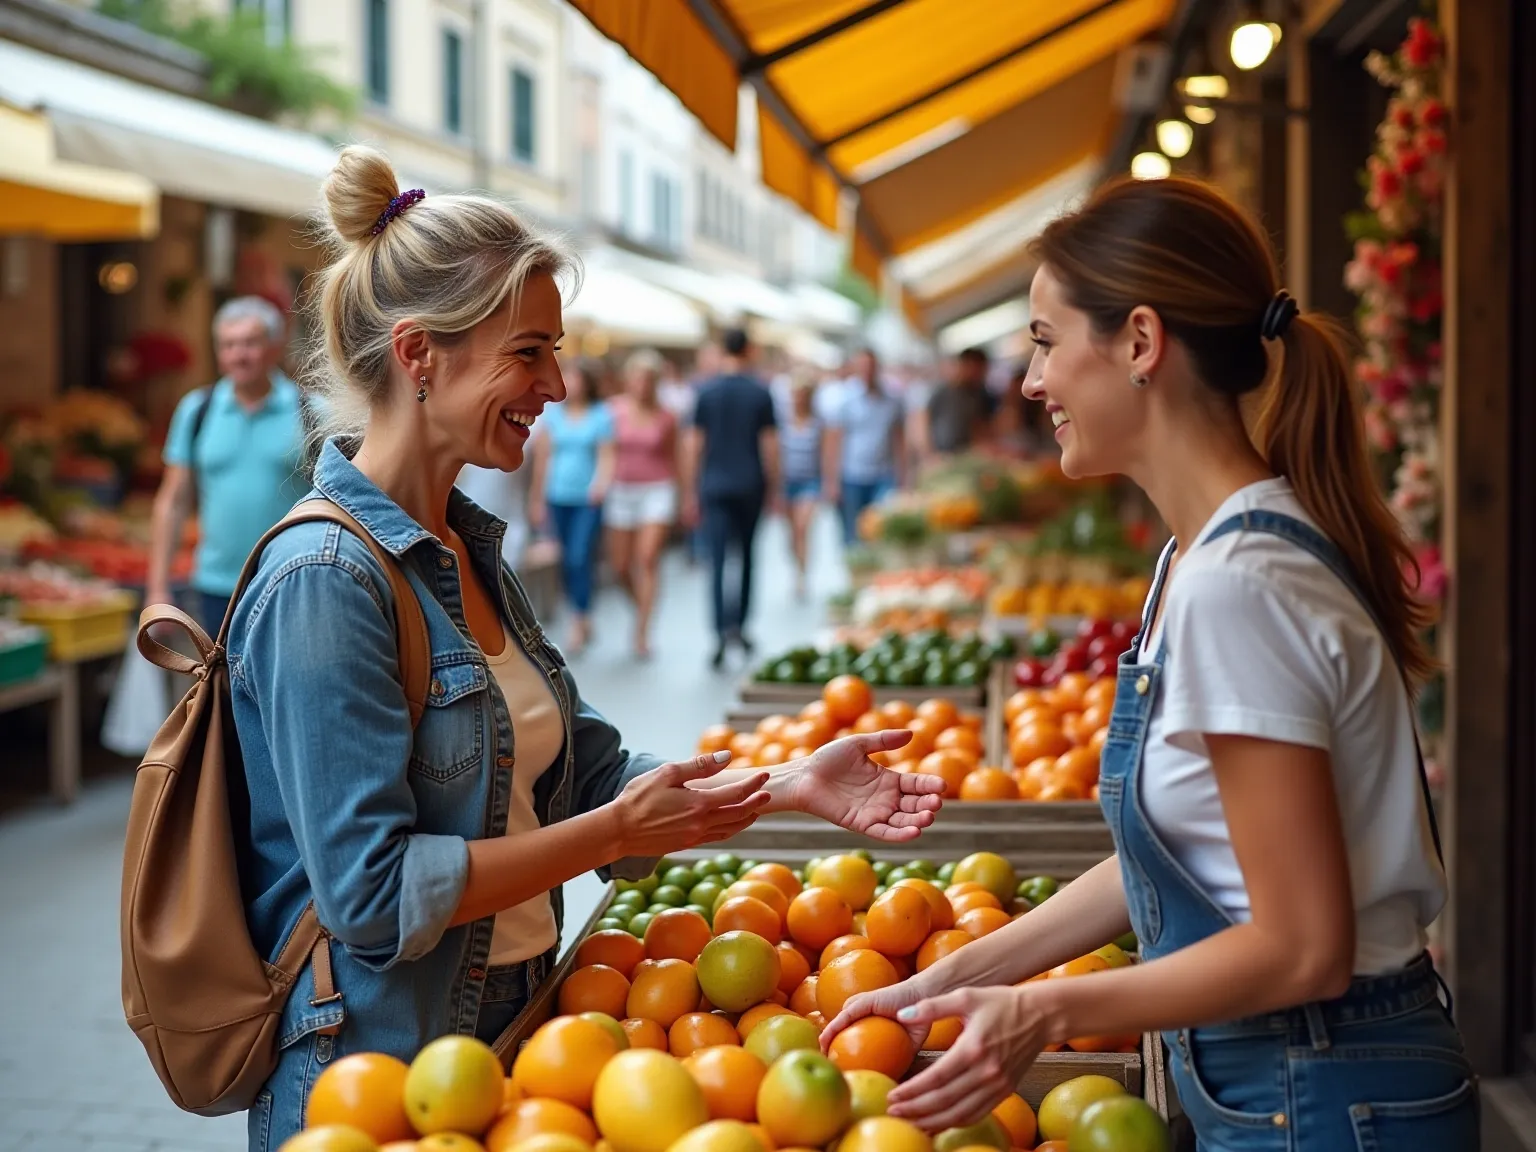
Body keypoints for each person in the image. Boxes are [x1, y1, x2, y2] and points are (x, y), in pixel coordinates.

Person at [226, 146, 947, 1152]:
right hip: (382, 1081)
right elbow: (375, 896)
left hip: (514, 1039)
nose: (560, 385)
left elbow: (587, 774)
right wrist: (613, 838)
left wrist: (787, 782)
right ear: (418, 354)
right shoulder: (324, 582)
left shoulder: (463, 550)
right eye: (529, 352)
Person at [821, 176, 1475, 1150]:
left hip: (1326, 1089)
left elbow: (1303, 948)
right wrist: (954, 976)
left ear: (1138, 342)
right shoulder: (1196, 559)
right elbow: (1178, 870)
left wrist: (1044, 1014)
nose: (1032, 383)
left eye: (1045, 342)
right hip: (1302, 1076)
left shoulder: (1235, 586)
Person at [147, 296, 307, 634]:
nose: (239, 354)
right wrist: (157, 589)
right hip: (216, 587)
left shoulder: (310, 412)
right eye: (229, 344)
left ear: (274, 347)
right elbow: (173, 502)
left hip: (295, 580)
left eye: (250, 343)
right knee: (225, 686)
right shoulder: (196, 410)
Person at [682, 328, 779, 668]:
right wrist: (775, 489)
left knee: (718, 561)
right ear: (749, 349)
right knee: (749, 557)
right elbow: (770, 446)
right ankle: (741, 624)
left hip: (715, 486)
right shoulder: (760, 392)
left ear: (723, 348)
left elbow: (694, 446)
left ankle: (720, 630)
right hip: (750, 484)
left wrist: (690, 492)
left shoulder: (706, 393)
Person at [527, 358, 613, 654]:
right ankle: (581, 612)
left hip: (586, 499)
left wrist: (600, 485)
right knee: (563, 558)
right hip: (557, 495)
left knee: (579, 556)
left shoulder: (600, 414)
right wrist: (537, 499)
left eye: (576, 379)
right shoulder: (553, 415)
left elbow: (606, 455)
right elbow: (543, 459)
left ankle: (579, 619)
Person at [604, 348, 678, 659]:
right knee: (620, 566)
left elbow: (677, 456)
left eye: (650, 378)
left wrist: (686, 497)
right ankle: (641, 607)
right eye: (638, 377)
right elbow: (605, 451)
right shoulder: (613, 410)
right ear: (629, 379)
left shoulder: (667, 416)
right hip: (621, 490)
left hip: (657, 489)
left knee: (647, 559)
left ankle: (642, 631)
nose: (643, 384)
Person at [824, 348, 904, 546]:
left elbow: (898, 439)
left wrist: (903, 474)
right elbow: (833, 441)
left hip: (883, 474)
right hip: (852, 475)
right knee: (853, 534)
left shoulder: (891, 400)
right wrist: (831, 481)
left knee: (880, 531)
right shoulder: (845, 399)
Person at [778, 368, 825, 599]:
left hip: (810, 482)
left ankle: (802, 577)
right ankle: (795, 567)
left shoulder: (817, 423)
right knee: (790, 535)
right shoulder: (782, 423)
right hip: (787, 482)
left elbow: (825, 455)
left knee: (802, 528)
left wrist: (827, 483)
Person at [917, 346, 997, 465]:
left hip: (964, 456)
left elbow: (978, 426)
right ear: (963, 366)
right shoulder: (942, 391)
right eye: (974, 368)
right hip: (940, 456)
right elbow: (922, 422)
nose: (978, 375)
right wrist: (928, 454)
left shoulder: (978, 395)